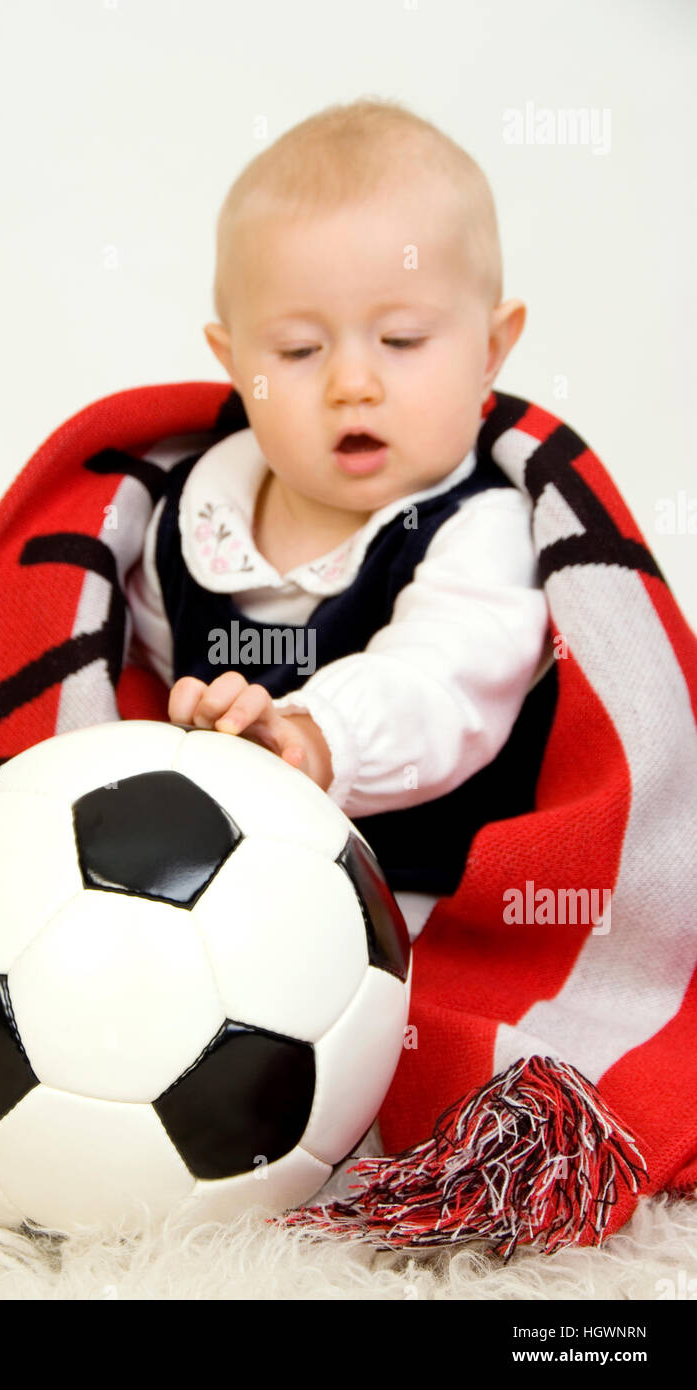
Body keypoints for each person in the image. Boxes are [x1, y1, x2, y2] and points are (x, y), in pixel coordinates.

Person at [125, 96, 553, 922]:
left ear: (491, 349)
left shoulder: (482, 529)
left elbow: (439, 686)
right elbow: (138, 678)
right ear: (234, 358)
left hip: (432, 906)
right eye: (297, 350)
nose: (351, 382)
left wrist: (316, 738)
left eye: (400, 341)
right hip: (235, 906)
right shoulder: (187, 520)